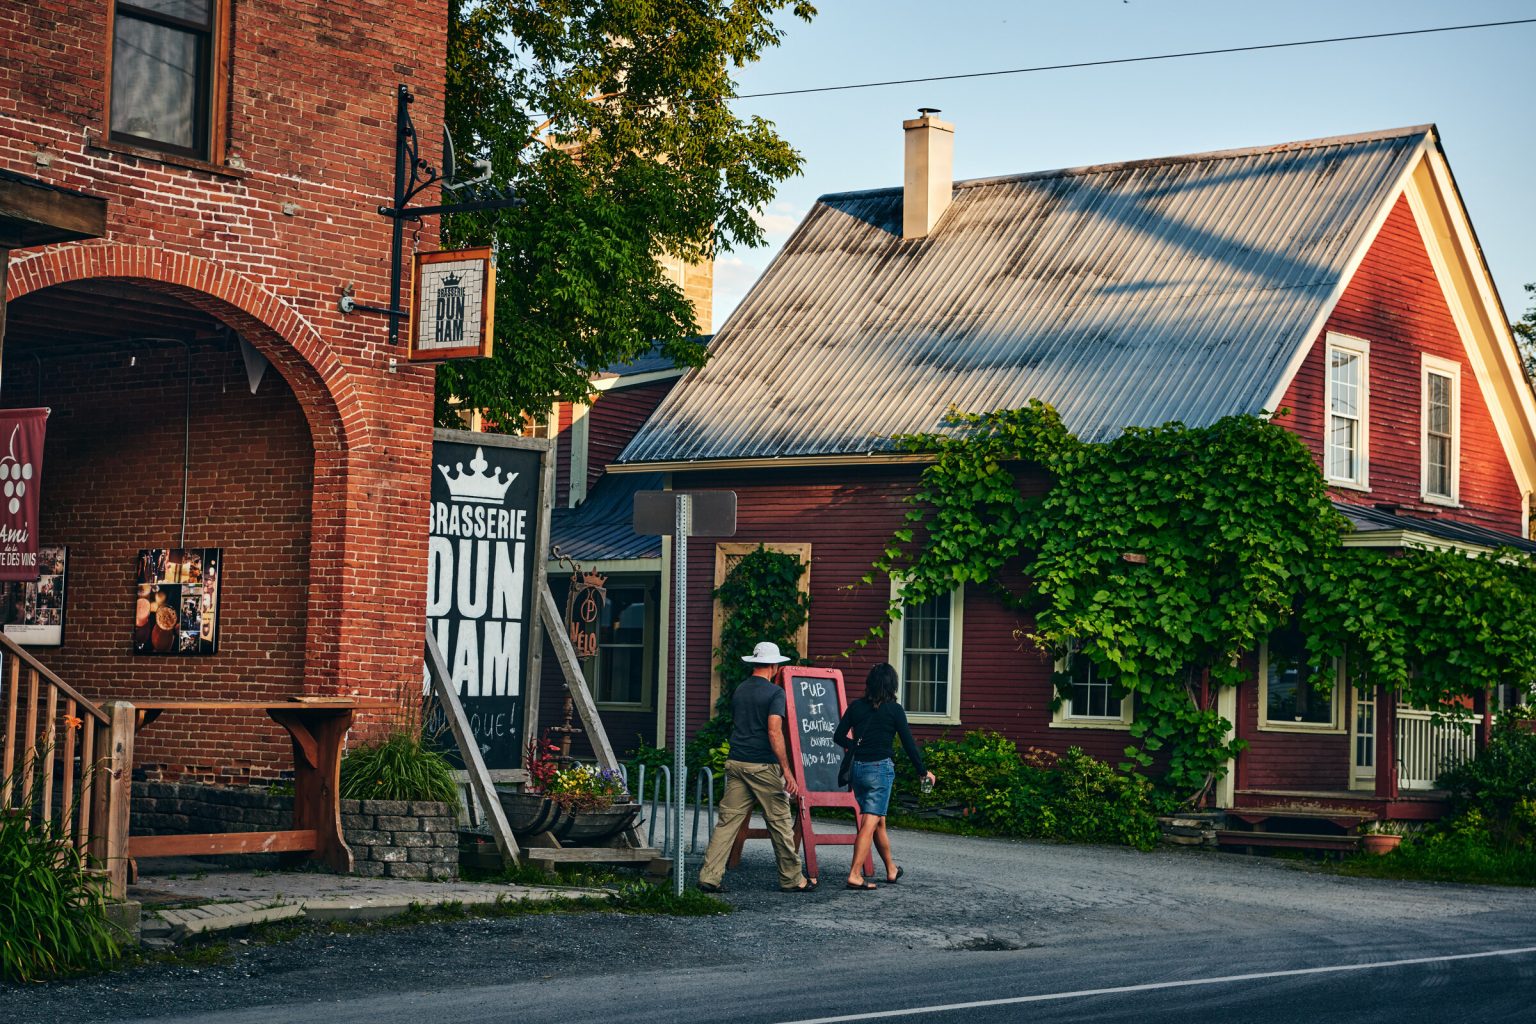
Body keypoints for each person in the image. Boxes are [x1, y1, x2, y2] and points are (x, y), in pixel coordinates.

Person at [696, 640, 817, 894]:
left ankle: (710, 876)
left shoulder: (740, 689)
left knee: (727, 823)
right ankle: (793, 878)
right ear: (773, 666)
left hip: (737, 761)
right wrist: (786, 769)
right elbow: (774, 731)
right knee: (780, 822)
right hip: (762, 765)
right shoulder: (775, 693)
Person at [834, 662, 936, 890]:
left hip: (858, 769)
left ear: (869, 683)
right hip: (879, 770)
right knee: (869, 821)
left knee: (878, 820)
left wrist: (856, 746)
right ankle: (854, 874)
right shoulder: (894, 710)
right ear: (893, 685)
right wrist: (923, 772)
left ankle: (891, 869)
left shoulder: (857, 707)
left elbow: (838, 736)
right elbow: (909, 744)